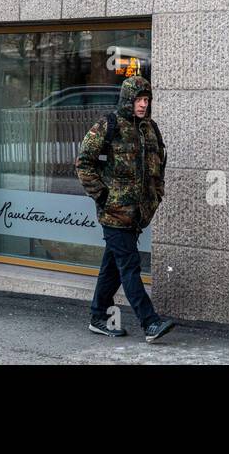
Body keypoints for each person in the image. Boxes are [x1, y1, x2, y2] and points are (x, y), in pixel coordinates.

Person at [75, 74, 174, 343]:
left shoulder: (150, 128)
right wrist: (103, 196)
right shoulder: (109, 125)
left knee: (113, 266)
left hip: (138, 214)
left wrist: (157, 195)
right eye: (139, 100)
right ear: (128, 100)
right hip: (114, 214)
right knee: (130, 266)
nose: (143, 104)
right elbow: (84, 162)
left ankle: (98, 317)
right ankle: (150, 323)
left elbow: (158, 166)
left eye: (146, 99)